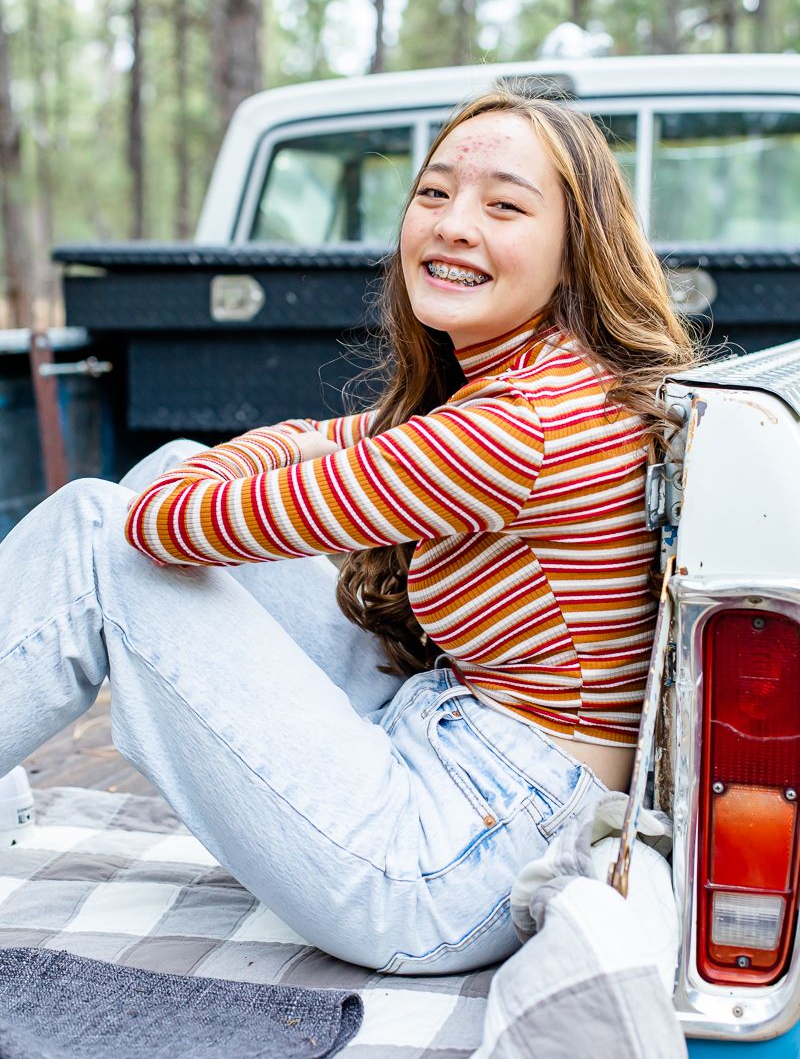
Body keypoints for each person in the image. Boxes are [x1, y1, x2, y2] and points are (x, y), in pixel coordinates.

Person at [0, 85, 698, 976]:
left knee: (99, 531)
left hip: (454, 864)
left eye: (505, 205)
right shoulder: (553, 383)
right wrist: (240, 460)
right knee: (170, 457)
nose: (452, 223)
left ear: (573, 255)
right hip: (480, 777)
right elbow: (334, 441)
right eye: (436, 192)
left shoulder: (518, 425)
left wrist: (225, 474)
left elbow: (161, 526)